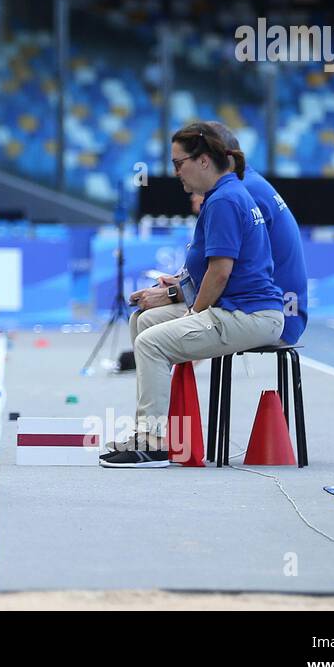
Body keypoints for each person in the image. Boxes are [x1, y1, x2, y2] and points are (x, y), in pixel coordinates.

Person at [101, 123, 285, 469]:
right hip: (239, 310)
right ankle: (157, 428)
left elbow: (220, 272)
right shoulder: (226, 195)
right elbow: (206, 272)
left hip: (249, 316)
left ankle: (153, 443)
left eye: (178, 163)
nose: (175, 173)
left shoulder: (225, 201)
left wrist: (193, 312)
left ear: (203, 161)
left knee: (151, 343)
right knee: (144, 321)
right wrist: (173, 294)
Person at [138, 122, 308, 347]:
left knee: (155, 335)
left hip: (272, 310)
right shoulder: (245, 184)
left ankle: (161, 368)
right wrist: (180, 286)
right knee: (148, 323)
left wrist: (173, 294)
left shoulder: (234, 194)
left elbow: (223, 274)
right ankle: (160, 374)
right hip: (261, 303)